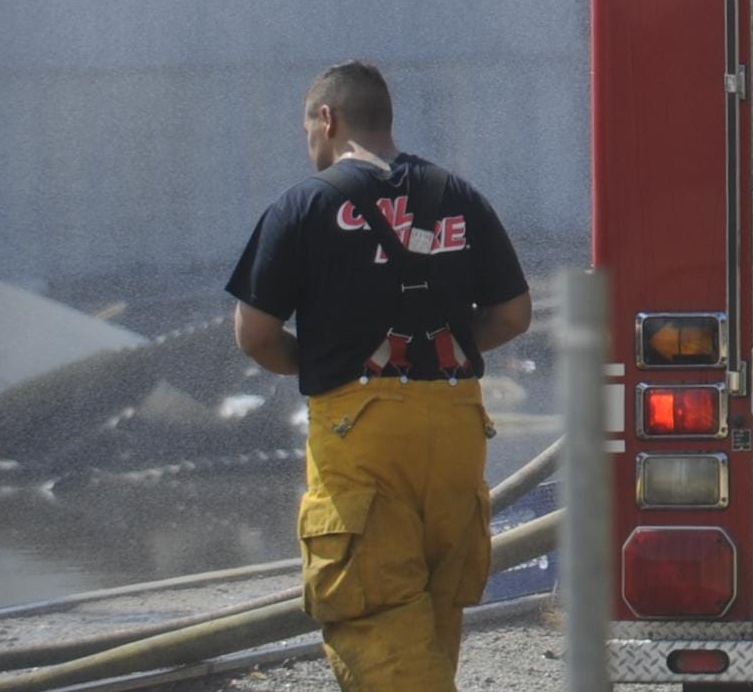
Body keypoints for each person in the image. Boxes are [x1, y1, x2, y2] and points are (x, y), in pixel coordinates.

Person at [227, 61, 532, 692]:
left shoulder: (304, 206)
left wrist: (322, 367)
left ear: (329, 120)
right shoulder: (459, 195)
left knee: (377, 615)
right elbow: (513, 315)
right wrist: (443, 353)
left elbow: (254, 336)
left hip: (360, 433)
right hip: (455, 427)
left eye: (308, 128)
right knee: (434, 609)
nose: (310, 144)